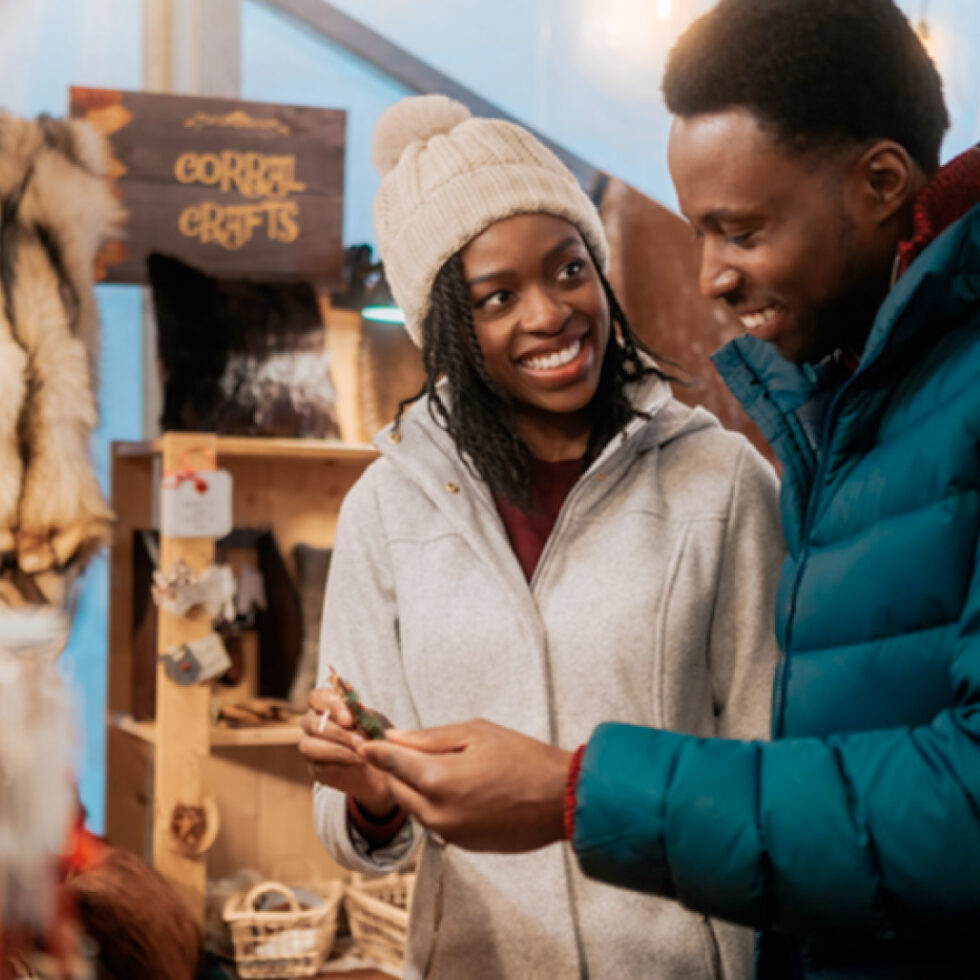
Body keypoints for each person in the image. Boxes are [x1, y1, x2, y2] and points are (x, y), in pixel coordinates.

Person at [358, 2, 980, 977]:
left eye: (738, 229)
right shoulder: (844, 415)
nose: (709, 279)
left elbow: (945, 797)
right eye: (697, 231)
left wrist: (577, 790)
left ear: (877, 183)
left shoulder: (737, 466)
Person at [298, 94, 784, 979]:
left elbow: (774, 785)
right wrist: (371, 800)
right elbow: (365, 838)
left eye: (568, 270)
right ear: (447, 326)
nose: (550, 313)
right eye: (497, 296)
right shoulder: (387, 511)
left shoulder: (722, 484)